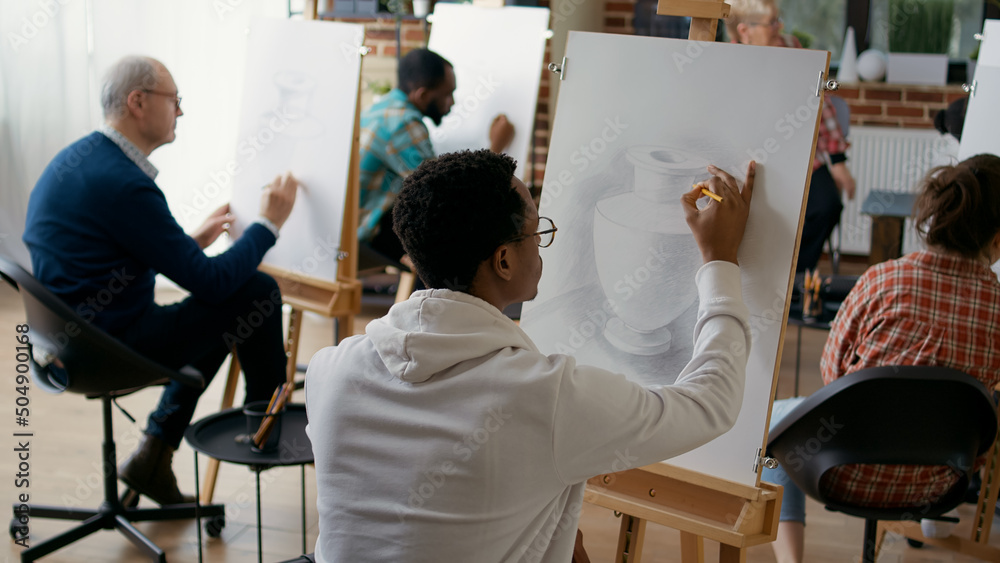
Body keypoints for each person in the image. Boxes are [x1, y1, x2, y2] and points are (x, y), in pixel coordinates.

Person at [305, 149, 756, 562]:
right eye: (537, 231)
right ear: (504, 260)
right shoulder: (543, 395)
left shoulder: (330, 370)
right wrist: (719, 260)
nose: (542, 244)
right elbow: (709, 404)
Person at [22, 55, 298, 505]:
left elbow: (104, 254)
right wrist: (268, 224)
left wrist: (188, 244)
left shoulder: (79, 160)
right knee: (254, 293)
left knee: (218, 312)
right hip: (107, 348)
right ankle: (265, 428)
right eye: (175, 100)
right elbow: (212, 283)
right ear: (138, 102)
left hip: (67, 343)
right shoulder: (125, 184)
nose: (181, 111)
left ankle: (154, 455)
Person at [762, 153, 1000, 562]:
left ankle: (791, 561)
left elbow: (832, 375)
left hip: (838, 470)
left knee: (771, 430)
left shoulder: (882, 280)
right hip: (939, 484)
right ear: (996, 239)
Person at [725, 0, 856, 272]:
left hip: (800, 155)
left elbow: (821, 104)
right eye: (771, 23)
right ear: (745, 31)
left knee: (827, 205)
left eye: (778, 19)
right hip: (749, 159)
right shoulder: (729, 61)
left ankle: (793, 276)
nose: (780, 27)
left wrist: (838, 162)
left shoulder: (791, 47)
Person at [357, 48, 515, 263]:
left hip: (354, 225)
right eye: (447, 94)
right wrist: (496, 147)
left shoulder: (380, 108)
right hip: (365, 235)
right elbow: (443, 194)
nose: (452, 102)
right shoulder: (403, 123)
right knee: (452, 224)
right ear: (422, 95)